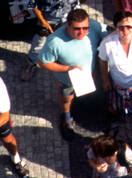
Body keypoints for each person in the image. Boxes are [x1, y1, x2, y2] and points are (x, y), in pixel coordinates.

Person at [37, 7, 106, 140]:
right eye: (77, 29)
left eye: (85, 28)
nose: (82, 32)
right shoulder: (54, 42)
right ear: (68, 24)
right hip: (67, 80)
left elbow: (106, 33)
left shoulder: (93, 27)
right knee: (66, 98)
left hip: (91, 74)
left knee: (90, 95)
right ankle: (67, 118)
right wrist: (68, 69)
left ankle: (84, 106)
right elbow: (43, 62)